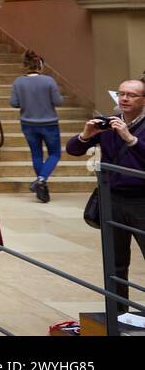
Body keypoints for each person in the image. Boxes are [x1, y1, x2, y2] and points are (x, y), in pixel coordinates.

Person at [67, 78, 145, 317]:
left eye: (131, 95)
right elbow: (73, 150)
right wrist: (86, 134)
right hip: (113, 200)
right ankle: (117, 312)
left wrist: (130, 139)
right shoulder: (109, 125)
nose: (124, 98)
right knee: (115, 262)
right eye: (121, 94)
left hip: (141, 201)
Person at [10, 50, 63, 203]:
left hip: (27, 123)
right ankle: (41, 179)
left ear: (25, 65)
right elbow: (58, 101)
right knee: (54, 154)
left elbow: (14, 103)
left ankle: (41, 186)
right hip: (49, 123)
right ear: (40, 65)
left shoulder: (18, 82)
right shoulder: (49, 81)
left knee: (36, 155)